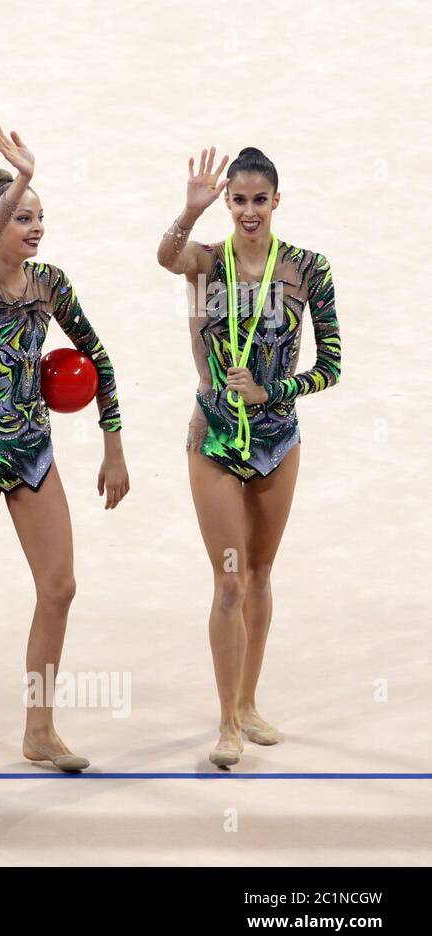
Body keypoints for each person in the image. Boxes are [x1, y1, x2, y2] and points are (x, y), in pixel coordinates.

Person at [0, 124, 127, 772]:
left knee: (60, 584)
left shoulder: (49, 283)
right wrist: (17, 177)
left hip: (32, 451)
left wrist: (113, 445)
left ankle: (38, 729)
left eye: (40, 215)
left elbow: (97, 355)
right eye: (22, 217)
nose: (36, 227)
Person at [157, 146, 340, 767]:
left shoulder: (308, 268)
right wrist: (188, 212)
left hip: (277, 438)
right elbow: (165, 257)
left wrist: (273, 391)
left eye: (260, 199)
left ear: (276, 201)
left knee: (260, 576)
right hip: (214, 437)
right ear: (228, 202)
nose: (249, 211)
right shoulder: (207, 263)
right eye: (239, 200)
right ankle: (227, 722)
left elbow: (333, 367)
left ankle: (249, 700)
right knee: (230, 580)